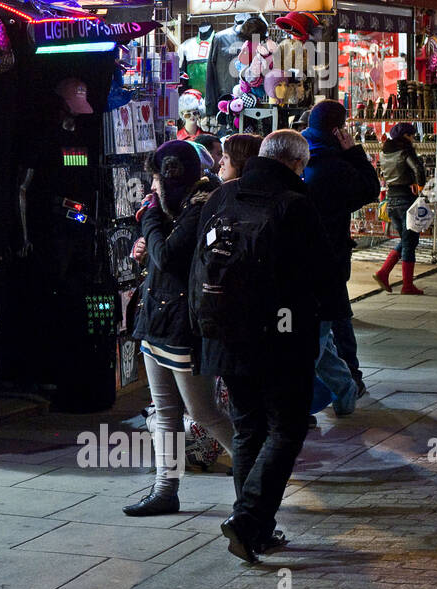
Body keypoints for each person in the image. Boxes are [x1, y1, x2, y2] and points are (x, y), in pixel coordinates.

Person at [193, 130, 330, 562]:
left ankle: (256, 528)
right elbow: (321, 277)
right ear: (295, 164)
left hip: (224, 335)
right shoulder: (295, 205)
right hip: (280, 341)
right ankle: (249, 518)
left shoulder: (222, 197)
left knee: (249, 427)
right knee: (286, 429)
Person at [124, 140, 233, 516]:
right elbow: (158, 255)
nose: (152, 185)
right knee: (165, 413)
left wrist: (149, 218)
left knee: (203, 412)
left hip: (182, 327)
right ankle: (165, 490)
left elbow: (169, 256)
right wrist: (144, 245)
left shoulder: (202, 205)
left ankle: (259, 476)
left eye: (156, 176)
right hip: (156, 320)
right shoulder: (178, 205)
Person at [301, 101, 380, 399]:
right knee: (335, 320)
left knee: (316, 324)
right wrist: (355, 152)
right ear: (337, 130)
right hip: (329, 255)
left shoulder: (299, 154)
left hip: (296, 256)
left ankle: (335, 385)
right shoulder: (335, 164)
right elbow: (369, 190)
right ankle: (348, 383)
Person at [374, 122, 428, 295]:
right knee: (409, 242)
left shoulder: (384, 152)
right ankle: (407, 285)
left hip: (391, 200)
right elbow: (418, 169)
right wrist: (421, 187)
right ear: (405, 136)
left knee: (408, 239)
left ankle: (384, 273)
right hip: (406, 199)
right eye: (411, 135)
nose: (413, 139)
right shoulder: (405, 150)